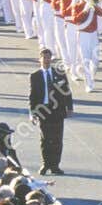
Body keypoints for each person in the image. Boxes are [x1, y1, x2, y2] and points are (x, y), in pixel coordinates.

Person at [28, 47, 75, 177]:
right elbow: (32, 96)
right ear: (40, 59)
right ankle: (45, 164)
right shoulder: (35, 76)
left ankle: (55, 165)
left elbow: (67, 91)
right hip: (43, 111)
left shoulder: (59, 74)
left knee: (57, 139)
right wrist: (32, 113)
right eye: (44, 58)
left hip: (58, 111)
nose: (46, 60)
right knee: (45, 139)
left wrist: (70, 108)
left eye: (48, 58)